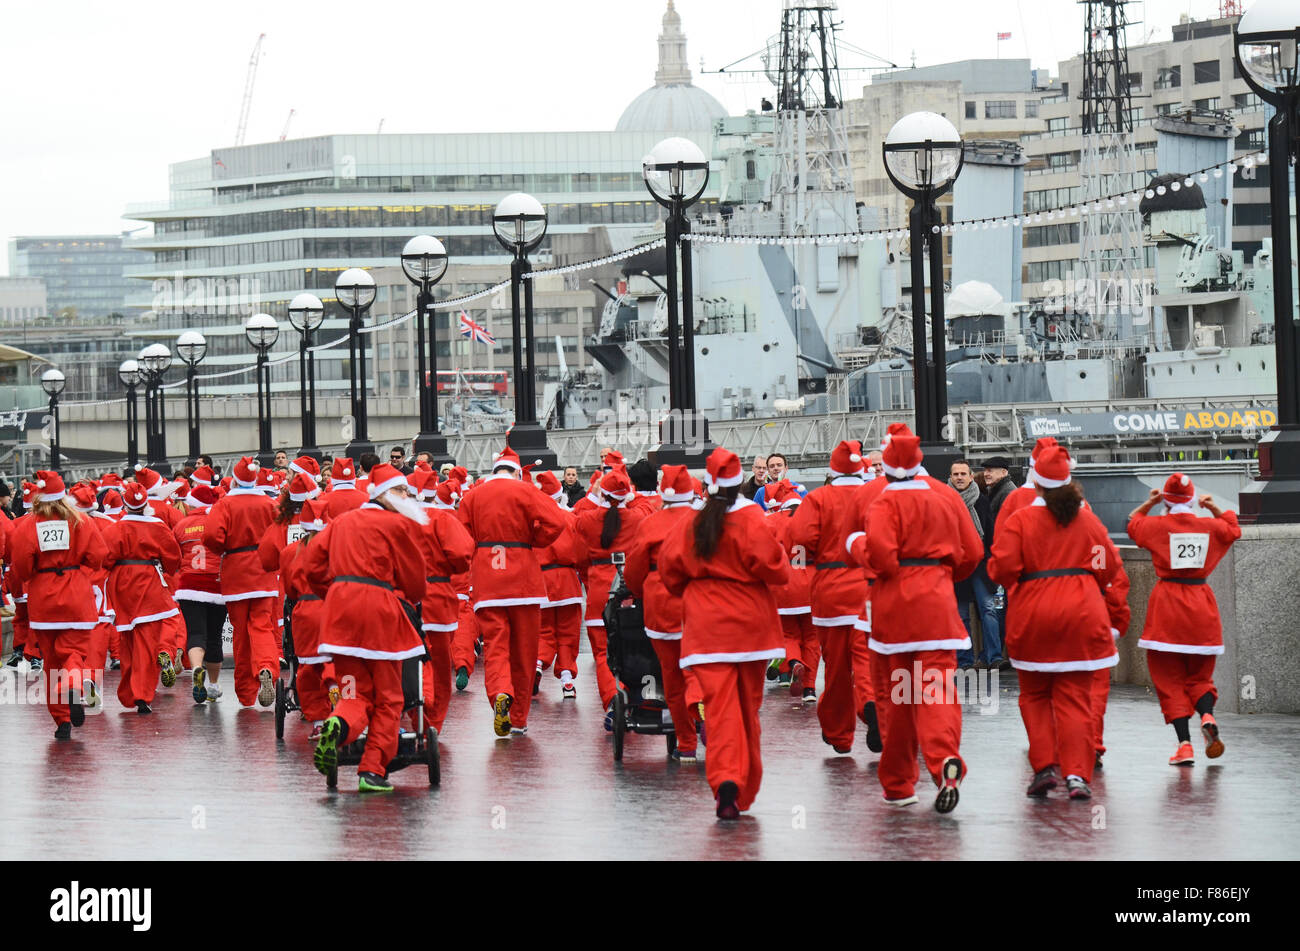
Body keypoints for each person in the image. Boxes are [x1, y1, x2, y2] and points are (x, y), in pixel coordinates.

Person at [854, 430, 982, 812]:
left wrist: (855, 548)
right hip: (938, 605)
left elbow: (881, 558)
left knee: (896, 698)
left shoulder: (881, 502)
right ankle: (945, 761)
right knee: (936, 690)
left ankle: (899, 784)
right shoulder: (945, 497)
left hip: (894, 610)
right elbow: (973, 551)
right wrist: (943, 575)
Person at [659, 448, 789, 819]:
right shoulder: (753, 518)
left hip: (706, 627)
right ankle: (744, 782)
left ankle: (726, 779)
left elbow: (669, 573)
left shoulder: (690, 522)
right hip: (752, 627)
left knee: (719, 709)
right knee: (749, 708)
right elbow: (777, 569)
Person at [988, 446, 1124, 800]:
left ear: (1035, 478)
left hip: (1033, 613)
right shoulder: (1087, 519)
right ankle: (1078, 775)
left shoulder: (1020, 520)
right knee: (1076, 699)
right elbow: (1109, 565)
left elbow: (1002, 569)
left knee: (1034, 696)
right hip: (1082, 614)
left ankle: (1045, 767)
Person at [306, 464, 428, 793]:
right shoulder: (397, 524)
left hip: (340, 613)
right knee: (389, 699)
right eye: (402, 491)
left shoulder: (340, 522)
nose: (407, 496)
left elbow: (312, 565)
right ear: (387, 494)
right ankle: (372, 770)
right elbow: (415, 580)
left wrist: (332, 594)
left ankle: (338, 725)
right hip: (380, 613)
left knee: (353, 693)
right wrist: (408, 595)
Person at [1127, 473, 1240, 766]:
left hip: (1167, 609)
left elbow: (1132, 524)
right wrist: (1212, 506)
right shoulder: (1209, 527)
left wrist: (1150, 503)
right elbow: (1232, 528)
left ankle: (1185, 745)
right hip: (1202, 607)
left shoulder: (1157, 526)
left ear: (1166, 499)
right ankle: (1207, 715)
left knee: (1169, 680)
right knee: (1200, 677)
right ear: (1193, 501)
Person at [458, 448, 568, 737]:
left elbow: (461, 535)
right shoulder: (525, 491)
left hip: (488, 579)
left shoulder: (473, 496)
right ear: (517, 471)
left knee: (496, 645)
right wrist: (532, 540)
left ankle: (499, 694)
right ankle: (518, 718)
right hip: (524, 579)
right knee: (524, 651)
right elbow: (557, 522)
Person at [787, 440, 878, 755]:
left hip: (831, 590)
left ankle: (840, 735)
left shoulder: (818, 498)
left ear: (833, 468)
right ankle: (870, 704)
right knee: (867, 659)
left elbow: (799, 538)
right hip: (869, 587)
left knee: (836, 667)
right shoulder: (875, 494)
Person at [4, 471, 109, 737]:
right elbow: (98, 556)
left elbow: (22, 567)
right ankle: (73, 685)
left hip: (43, 597)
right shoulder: (81, 520)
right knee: (74, 652)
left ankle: (61, 720)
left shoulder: (28, 526)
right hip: (75, 593)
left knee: (50, 659)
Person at [625, 464, 703, 762]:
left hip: (660, 601)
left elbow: (634, 570)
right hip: (698, 598)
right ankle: (700, 703)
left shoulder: (651, 524)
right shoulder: (703, 521)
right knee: (697, 666)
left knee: (670, 674)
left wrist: (639, 592)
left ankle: (686, 744)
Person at [574, 468, 649, 729]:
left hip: (598, 590)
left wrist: (597, 499)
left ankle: (612, 702)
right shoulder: (639, 517)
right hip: (628, 590)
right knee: (634, 648)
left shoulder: (586, 520)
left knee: (604, 654)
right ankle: (635, 699)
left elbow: (575, 527)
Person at [202, 457, 279, 708]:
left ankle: (246, 692)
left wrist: (224, 547)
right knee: (262, 625)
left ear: (234, 479)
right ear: (256, 480)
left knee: (240, 632)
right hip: (264, 569)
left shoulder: (225, 504)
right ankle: (267, 667)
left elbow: (212, 536)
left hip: (236, 571)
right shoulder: (270, 503)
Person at [104, 481, 183, 715]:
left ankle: (128, 691)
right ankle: (142, 693)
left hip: (122, 584)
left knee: (127, 640)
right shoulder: (158, 526)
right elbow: (173, 558)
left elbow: (104, 558)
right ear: (146, 503)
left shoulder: (115, 528)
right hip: (148, 580)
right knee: (149, 640)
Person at [410, 469, 474, 734]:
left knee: (413, 658)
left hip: (407, 598)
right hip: (440, 597)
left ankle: (419, 715)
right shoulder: (443, 519)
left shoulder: (399, 519)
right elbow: (462, 553)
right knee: (439, 661)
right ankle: (435, 720)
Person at [764, 480, 819, 703]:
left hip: (784, 585)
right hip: (811, 583)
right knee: (813, 638)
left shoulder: (772, 520)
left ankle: (794, 662)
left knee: (789, 634)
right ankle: (810, 689)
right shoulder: (813, 519)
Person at [533, 471, 585, 700]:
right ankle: (567, 679)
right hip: (567, 582)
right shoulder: (570, 518)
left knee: (543, 631)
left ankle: (537, 663)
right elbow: (582, 552)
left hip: (541, 581)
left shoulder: (533, 522)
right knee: (568, 633)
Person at [174, 483, 226, 704]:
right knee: (214, 637)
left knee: (196, 634)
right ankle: (213, 686)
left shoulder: (181, 525)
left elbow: (174, 555)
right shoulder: (219, 522)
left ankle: (196, 668)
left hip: (189, 584)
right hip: (216, 584)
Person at [949, 459, 1002, 670]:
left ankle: (994, 657)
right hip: (958, 566)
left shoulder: (982, 501)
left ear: (971, 477)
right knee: (960, 614)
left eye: (963, 474)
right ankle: (964, 660)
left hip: (980, 565)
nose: (960, 478)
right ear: (950, 477)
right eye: (956, 474)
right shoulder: (944, 500)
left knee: (988, 609)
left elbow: (990, 534)